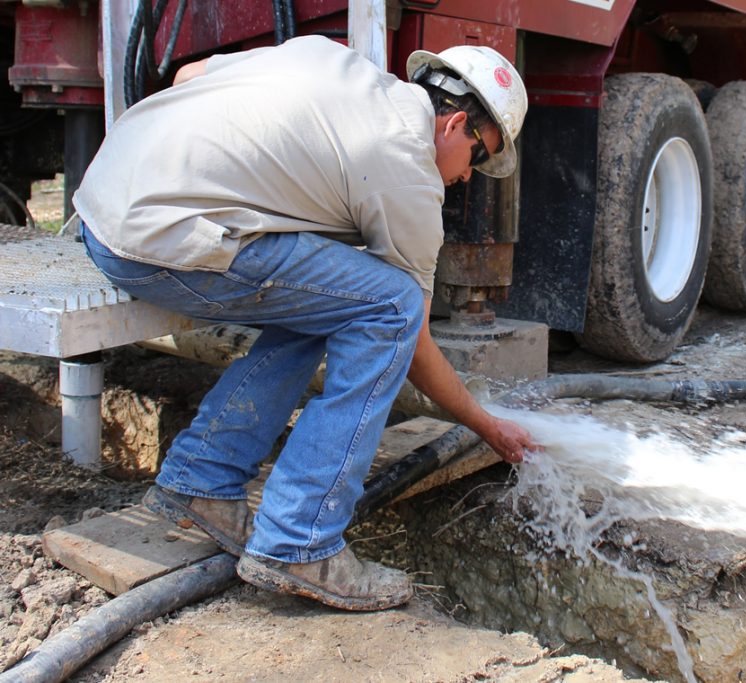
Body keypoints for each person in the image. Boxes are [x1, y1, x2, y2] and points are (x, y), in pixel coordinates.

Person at [73, 35, 537, 611]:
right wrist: (485, 424)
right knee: (389, 303)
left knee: (336, 290)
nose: (469, 176)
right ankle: (299, 539)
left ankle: (203, 481)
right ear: (455, 123)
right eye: (480, 156)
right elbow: (410, 337)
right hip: (150, 245)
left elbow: (187, 76)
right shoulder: (408, 174)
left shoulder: (329, 60)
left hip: (101, 206)